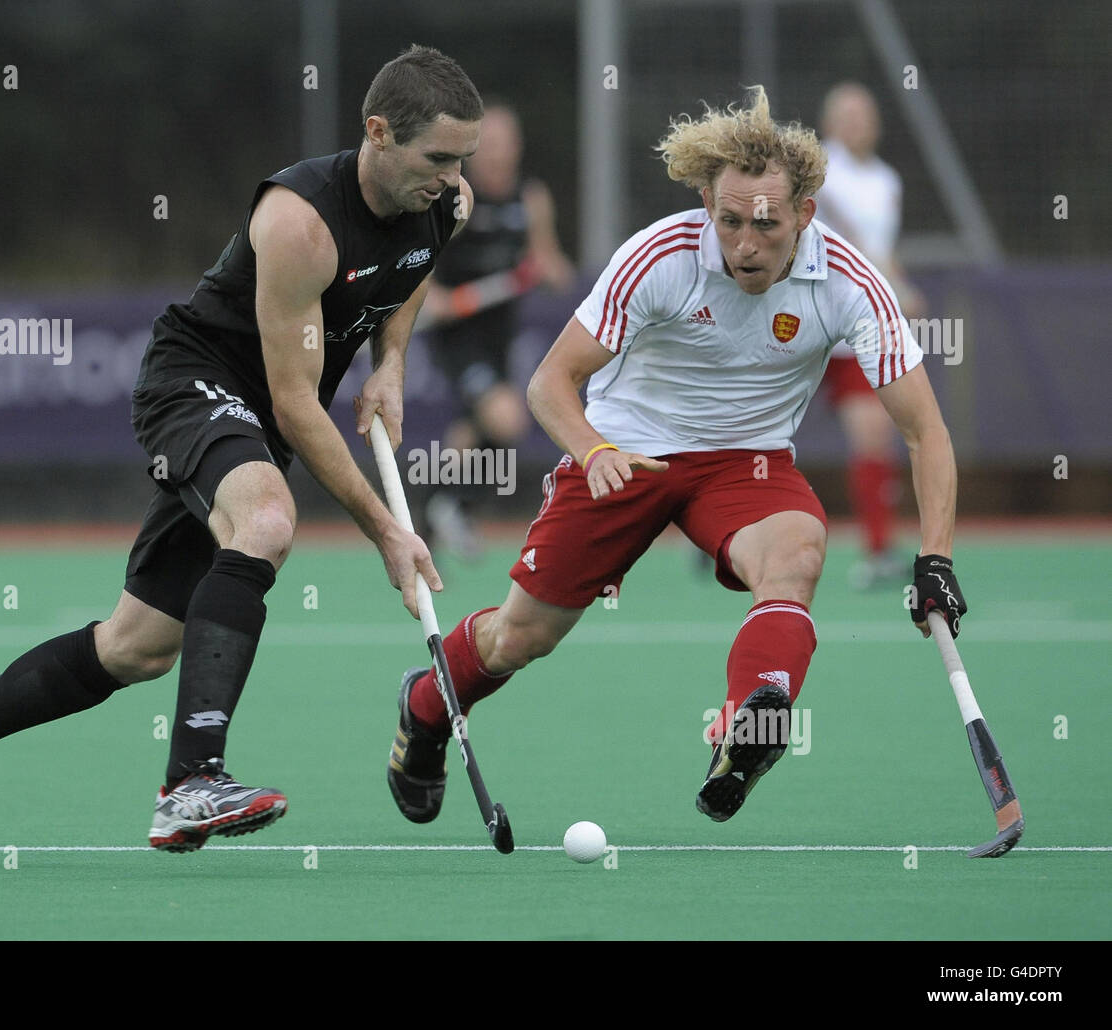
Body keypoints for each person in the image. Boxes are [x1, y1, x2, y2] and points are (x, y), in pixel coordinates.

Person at [0, 44, 484, 866]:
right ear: (377, 131)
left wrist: (391, 365)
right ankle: (192, 780)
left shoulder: (444, 202)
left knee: (138, 648)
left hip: (257, 413)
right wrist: (384, 530)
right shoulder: (299, 220)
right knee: (265, 518)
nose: (451, 178)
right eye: (437, 158)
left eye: (462, 160)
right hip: (195, 381)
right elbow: (298, 404)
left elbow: (409, 269)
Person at [387, 86, 968, 828]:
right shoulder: (661, 257)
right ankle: (425, 704)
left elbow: (925, 432)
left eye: (767, 223)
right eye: (729, 221)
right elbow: (549, 383)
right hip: (628, 453)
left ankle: (746, 728)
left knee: (797, 551)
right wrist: (592, 448)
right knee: (521, 636)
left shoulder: (851, 282)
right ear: (706, 203)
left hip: (747, 463)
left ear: (806, 214)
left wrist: (936, 559)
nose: (746, 244)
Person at [417, 101, 575, 558]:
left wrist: (551, 271)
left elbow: (550, 261)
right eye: (488, 145)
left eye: (506, 144)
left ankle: (431, 517)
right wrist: (435, 297)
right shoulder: (455, 199)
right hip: (455, 330)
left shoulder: (531, 198)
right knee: (506, 417)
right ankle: (455, 507)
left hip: (499, 331)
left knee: (473, 432)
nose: (497, 154)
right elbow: (422, 265)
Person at [814, 82, 928, 589]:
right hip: (802, 319)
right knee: (743, 424)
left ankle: (879, 549)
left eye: (865, 113)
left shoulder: (888, 181)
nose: (857, 122)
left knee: (874, 435)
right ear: (830, 121)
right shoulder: (817, 167)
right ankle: (708, 534)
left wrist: (900, 284)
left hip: (856, 328)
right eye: (847, 114)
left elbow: (879, 249)